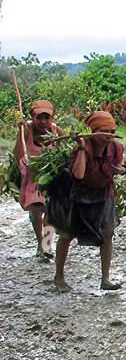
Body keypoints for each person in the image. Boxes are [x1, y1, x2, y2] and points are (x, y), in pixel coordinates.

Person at [48, 110, 124, 292]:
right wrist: (81, 148)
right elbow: (79, 174)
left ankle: (105, 279)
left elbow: (119, 167)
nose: (110, 136)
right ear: (94, 132)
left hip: (104, 193)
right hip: (79, 195)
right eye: (106, 132)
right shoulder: (83, 148)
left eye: (113, 132)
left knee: (107, 232)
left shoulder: (116, 148)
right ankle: (59, 276)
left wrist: (119, 170)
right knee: (66, 234)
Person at [13, 99, 61, 259]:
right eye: (39, 117)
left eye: (47, 117)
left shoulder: (56, 132)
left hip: (51, 178)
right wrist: (21, 134)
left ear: (52, 118)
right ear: (32, 117)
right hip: (32, 178)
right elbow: (17, 156)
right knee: (35, 215)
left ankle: (47, 246)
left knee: (50, 212)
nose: (43, 121)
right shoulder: (26, 130)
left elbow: (66, 153)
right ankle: (40, 242)